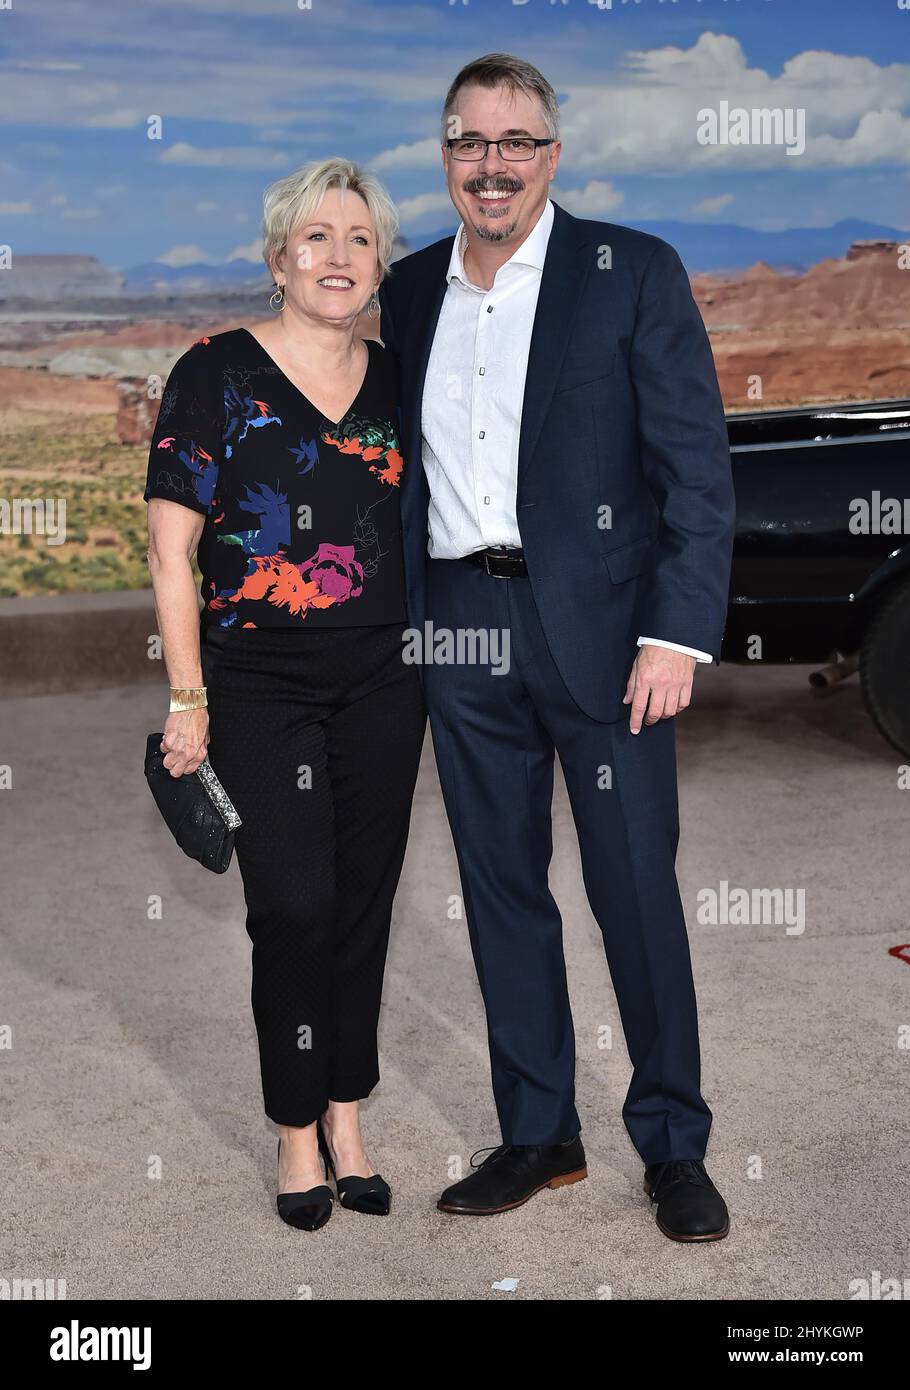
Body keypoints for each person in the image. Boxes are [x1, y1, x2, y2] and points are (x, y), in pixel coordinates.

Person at [379, 54, 736, 1241]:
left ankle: (673, 1143)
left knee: (634, 891)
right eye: (469, 142)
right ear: (444, 155)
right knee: (500, 889)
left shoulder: (628, 270)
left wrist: (676, 632)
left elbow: (693, 469)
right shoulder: (412, 285)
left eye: (516, 142)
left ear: (552, 153)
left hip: (606, 636)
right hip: (460, 623)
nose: (492, 165)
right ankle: (539, 1131)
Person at [144, 158, 425, 1231]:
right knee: (294, 905)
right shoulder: (213, 371)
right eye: (316, 237)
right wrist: (187, 698)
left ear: (379, 261)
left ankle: (348, 1118)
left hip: (384, 677)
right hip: (256, 678)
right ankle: (293, 1130)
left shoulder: (398, 380)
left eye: (358, 238)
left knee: (361, 904)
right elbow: (172, 554)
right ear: (278, 259)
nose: (338, 257)